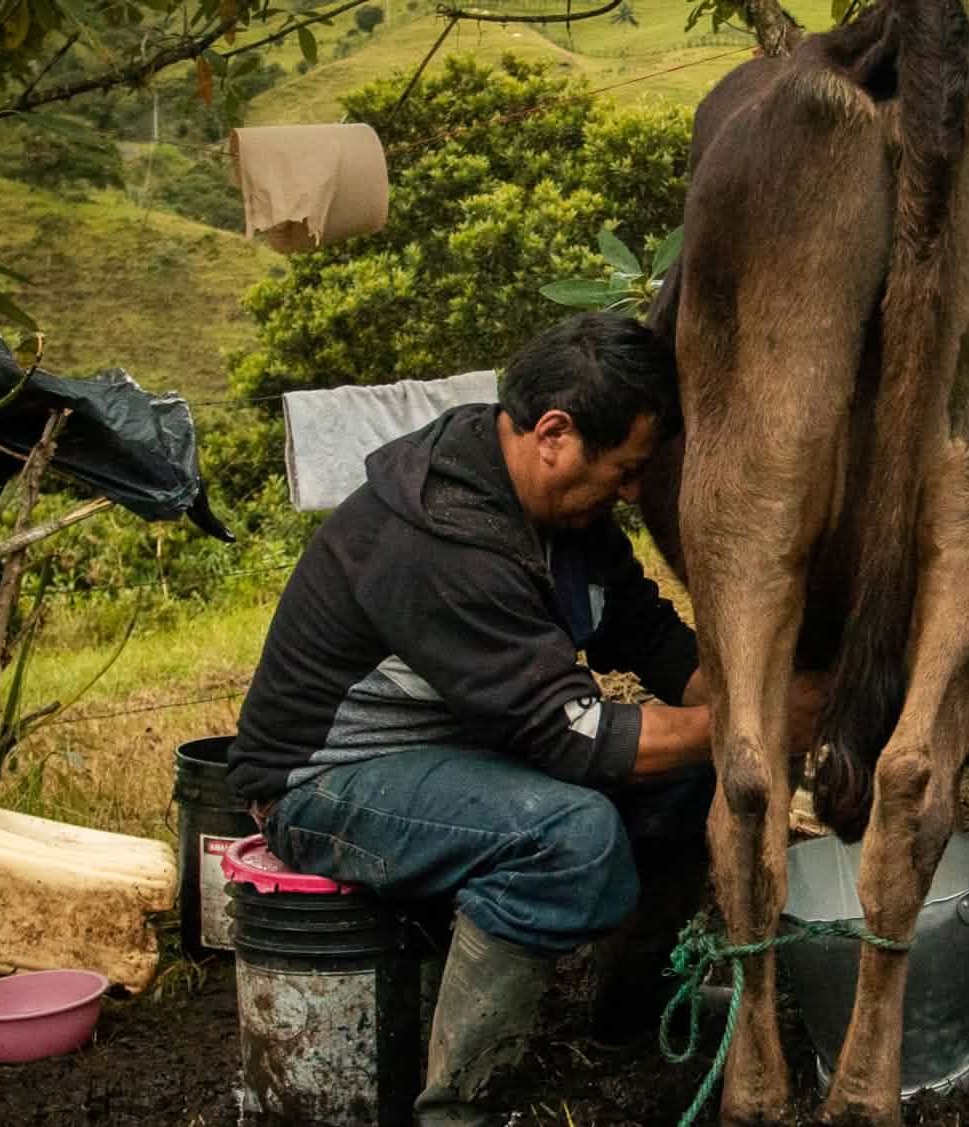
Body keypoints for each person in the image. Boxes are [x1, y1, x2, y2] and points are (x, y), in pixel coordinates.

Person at [226, 312, 815, 1125]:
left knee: (693, 776)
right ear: (554, 434)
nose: (634, 491)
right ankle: (458, 1104)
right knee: (572, 837)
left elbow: (649, 636)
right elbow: (573, 738)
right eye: (626, 469)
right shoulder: (445, 536)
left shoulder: (560, 513)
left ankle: (624, 1015)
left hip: (454, 747)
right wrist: (762, 728)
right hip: (324, 783)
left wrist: (750, 689)